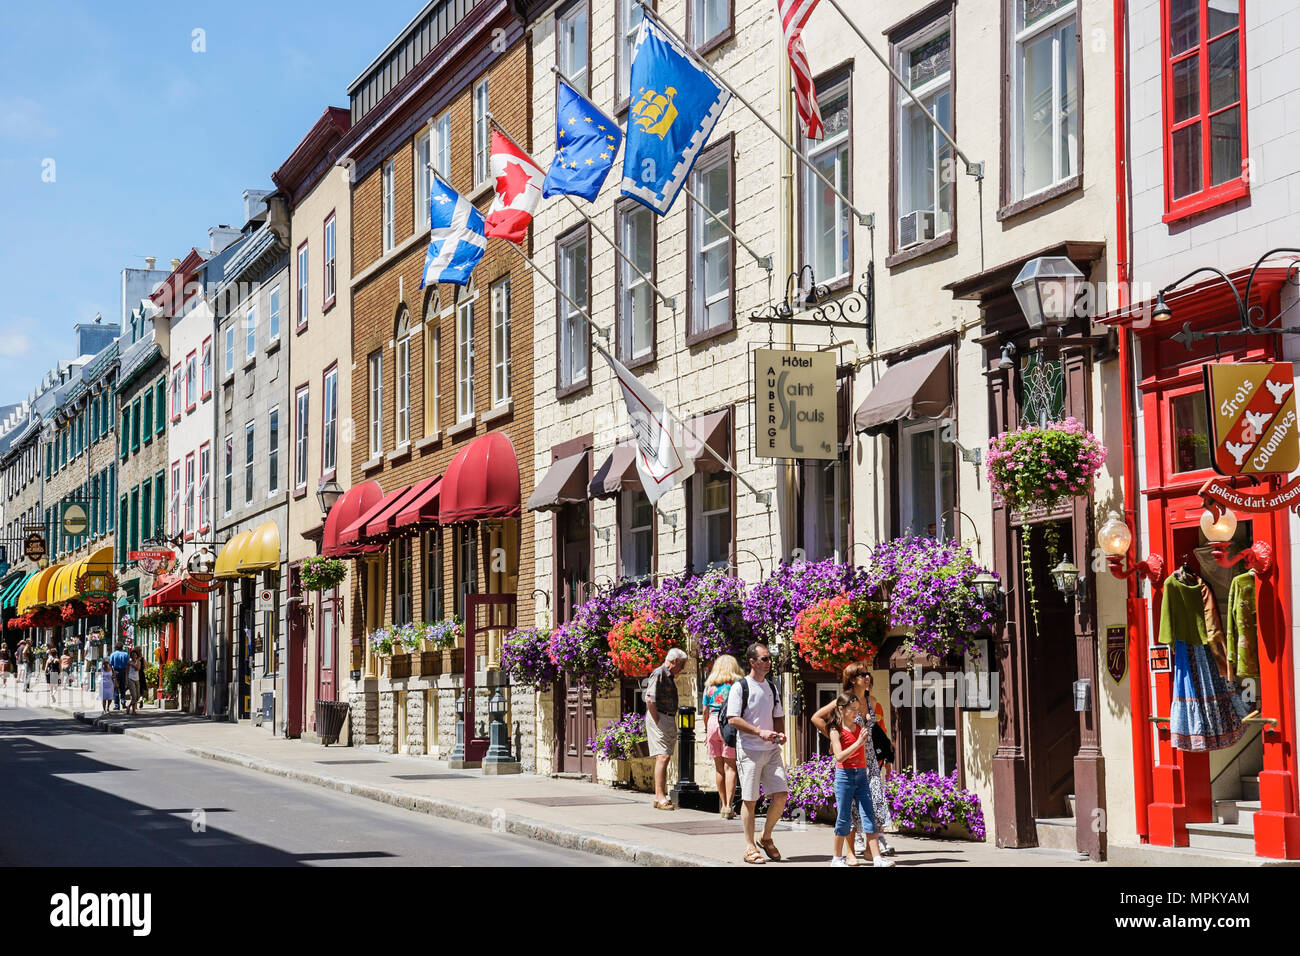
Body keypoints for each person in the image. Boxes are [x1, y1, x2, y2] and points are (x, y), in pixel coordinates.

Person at [811, 662, 895, 860]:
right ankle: (849, 852)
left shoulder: (871, 700)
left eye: (868, 674)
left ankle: (870, 850)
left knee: (874, 803)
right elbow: (816, 718)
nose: (867, 677)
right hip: (850, 759)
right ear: (852, 679)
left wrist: (887, 753)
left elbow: (876, 730)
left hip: (870, 759)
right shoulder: (844, 701)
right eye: (862, 674)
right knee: (851, 807)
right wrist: (836, 737)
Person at [726, 642, 788, 864]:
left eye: (769, 658)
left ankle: (765, 836)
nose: (769, 662)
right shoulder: (740, 687)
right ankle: (750, 847)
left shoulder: (771, 687)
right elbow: (733, 719)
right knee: (750, 800)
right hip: (749, 750)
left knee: (781, 794)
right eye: (764, 659)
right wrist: (759, 732)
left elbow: (778, 714)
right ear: (752, 662)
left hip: (771, 750)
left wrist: (780, 734)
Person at [826, 692, 893, 867]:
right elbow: (839, 756)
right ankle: (836, 858)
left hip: (861, 775)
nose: (856, 713)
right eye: (852, 709)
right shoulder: (835, 730)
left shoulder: (859, 727)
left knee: (869, 816)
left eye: (857, 709)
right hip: (844, 777)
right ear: (841, 709)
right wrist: (858, 743)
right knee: (844, 818)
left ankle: (877, 858)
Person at [644, 647, 687, 810]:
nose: (682, 669)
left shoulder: (668, 675)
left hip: (666, 717)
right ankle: (660, 797)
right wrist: (658, 719)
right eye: (682, 664)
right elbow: (649, 699)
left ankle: (659, 796)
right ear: (675, 661)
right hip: (660, 717)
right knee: (663, 756)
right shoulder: (659, 673)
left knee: (665, 756)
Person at [701, 654, 743, 819]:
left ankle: (723, 803)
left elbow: (705, 711)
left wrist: (707, 730)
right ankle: (728, 806)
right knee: (730, 767)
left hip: (712, 722)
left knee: (719, 768)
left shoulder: (709, 686)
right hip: (728, 723)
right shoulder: (736, 685)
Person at [108, 642, 129, 712]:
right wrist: (127, 674)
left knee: (116, 688)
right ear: (122, 647)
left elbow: (110, 665)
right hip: (123, 671)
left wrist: (113, 673)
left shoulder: (113, 654)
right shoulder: (125, 654)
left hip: (116, 671)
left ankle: (117, 705)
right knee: (123, 687)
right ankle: (123, 700)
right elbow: (128, 665)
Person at [126, 648, 143, 715]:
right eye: (132, 655)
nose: (134, 656)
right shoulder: (128, 662)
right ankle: (133, 711)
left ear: (137, 655)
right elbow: (127, 672)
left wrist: (132, 664)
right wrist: (126, 680)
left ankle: (129, 706)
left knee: (138, 696)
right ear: (131, 656)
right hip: (130, 679)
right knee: (134, 695)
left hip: (137, 679)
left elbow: (137, 669)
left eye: (135, 655)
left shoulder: (138, 662)